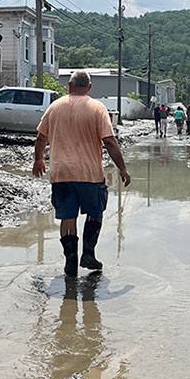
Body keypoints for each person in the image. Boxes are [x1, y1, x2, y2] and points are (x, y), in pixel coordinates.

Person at [33, 70, 131, 277]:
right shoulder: (97, 108)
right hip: (90, 174)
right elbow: (109, 141)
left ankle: (70, 258)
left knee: (67, 217)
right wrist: (122, 168)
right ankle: (88, 253)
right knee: (95, 212)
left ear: (68, 86)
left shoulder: (54, 107)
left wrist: (38, 160)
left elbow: (41, 137)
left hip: (61, 174)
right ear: (89, 87)